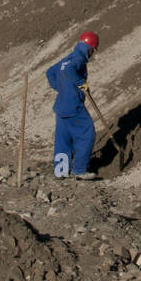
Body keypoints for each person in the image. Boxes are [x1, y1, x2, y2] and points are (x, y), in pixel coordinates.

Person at [46, 31, 99, 179]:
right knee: (87, 133)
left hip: (61, 105)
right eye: (93, 50)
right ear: (90, 48)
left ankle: (60, 171)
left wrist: (61, 88)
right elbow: (70, 71)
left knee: (63, 138)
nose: (93, 54)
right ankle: (80, 170)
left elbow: (50, 72)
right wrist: (80, 83)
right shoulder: (79, 58)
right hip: (74, 106)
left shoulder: (67, 58)